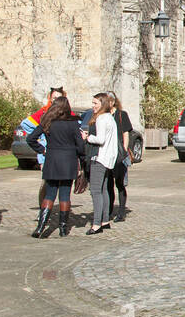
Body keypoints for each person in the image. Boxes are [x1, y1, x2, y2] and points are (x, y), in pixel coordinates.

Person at [26, 97, 84, 238]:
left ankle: (40, 227)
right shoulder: (73, 123)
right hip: (68, 161)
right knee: (65, 195)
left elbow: (30, 138)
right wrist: (81, 159)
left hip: (52, 160)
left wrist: (42, 150)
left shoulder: (47, 121)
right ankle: (63, 229)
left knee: (50, 194)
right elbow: (81, 146)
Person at [83, 92, 118, 236]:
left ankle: (97, 224)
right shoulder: (109, 117)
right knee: (104, 189)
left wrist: (88, 137)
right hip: (108, 158)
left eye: (95, 103)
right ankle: (105, 220)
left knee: (95, 191)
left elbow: (101, 139)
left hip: (100, 158)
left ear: (102, 104)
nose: (93, 106)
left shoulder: (102, 118)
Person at [105, 90, 133, 222]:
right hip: (107, 153)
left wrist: (124, 150)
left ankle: (121, 212)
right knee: (108, 183)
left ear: (112, 102)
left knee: (120, 183)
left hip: (119, 153)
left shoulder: (122, 114)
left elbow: (126, 133)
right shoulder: (104, 116)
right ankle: (109, 210)